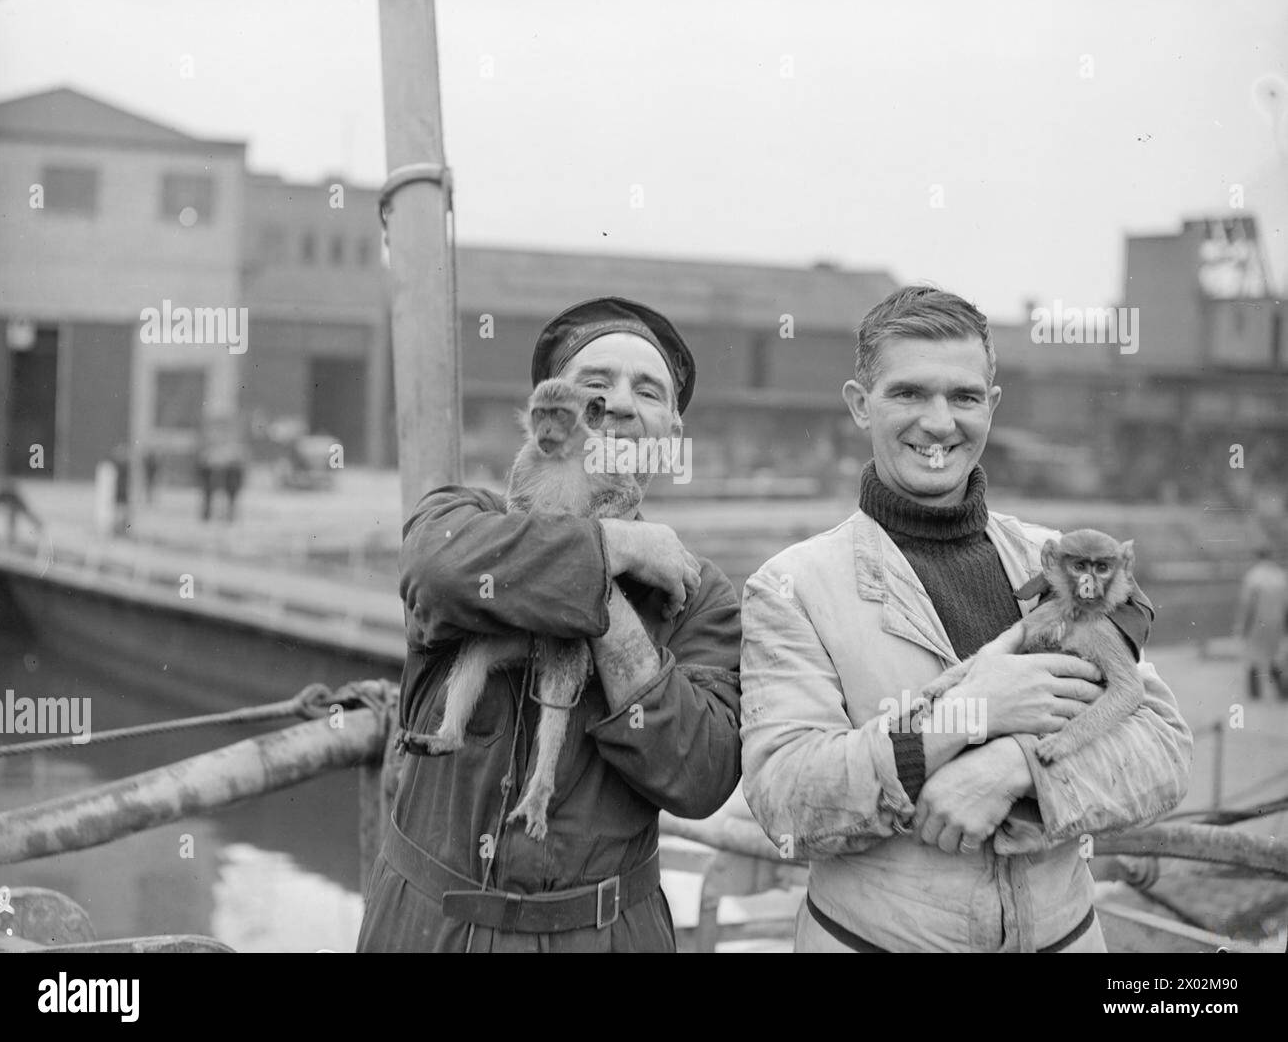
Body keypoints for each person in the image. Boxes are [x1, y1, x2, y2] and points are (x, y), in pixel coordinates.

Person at [739, 285, 1193, 953]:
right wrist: (963, 714)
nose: (940, 421)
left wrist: (1018, 768)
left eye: (964, 397)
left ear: (993, 406)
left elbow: (1162, 750)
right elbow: (787, 801)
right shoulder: (791, 585)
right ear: (859, 405)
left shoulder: (1066, 559)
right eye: (909, 394)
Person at [356, 296, 742, 953]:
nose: (617, 404)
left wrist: (601, 582)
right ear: (551, 411)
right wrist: (611, 549)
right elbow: (435, 571)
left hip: (605, 936)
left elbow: (700, 774)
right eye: (595, 387)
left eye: (647, 391)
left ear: (671, 437)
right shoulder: (463, 514)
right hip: (423, 927)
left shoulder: (700, 596)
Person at [1234, 546, 1288, 700]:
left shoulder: (1253, 577)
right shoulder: (1280, 575)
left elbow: (1247, 606)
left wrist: (1243, 627)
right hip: (1277, 623)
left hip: (1257, 623)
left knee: (1253, 657)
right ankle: (1282, 691)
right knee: (1275, 656)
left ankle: (1255, 693)